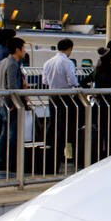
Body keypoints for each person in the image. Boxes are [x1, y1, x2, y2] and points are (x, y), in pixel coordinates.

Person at [42, 38, 79, 169]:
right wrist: (77, 86)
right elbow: (72, 81)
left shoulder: (48, 62)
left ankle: (52, 155)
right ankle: (67, 156)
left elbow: (45, 81)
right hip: (66, 97)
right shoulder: (67, 62)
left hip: (52, 96)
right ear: (69, 49)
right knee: (68, 127)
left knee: (54, 124)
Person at [0, 37, 26, 174]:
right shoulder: (13, 64)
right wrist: (15, 103)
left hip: (3, 104)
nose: (24, 51)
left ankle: (0, 161)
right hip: (11, 105)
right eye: (23, 48)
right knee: (13, 134)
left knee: (4, 133)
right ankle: (10, 162)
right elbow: (11, 86)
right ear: (17, 49)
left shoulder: (1, 63)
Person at [87, 48, 111, 162]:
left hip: (100, 103)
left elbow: (85, 81)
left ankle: (101, 153)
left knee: (102, 130)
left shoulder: (98, 69)